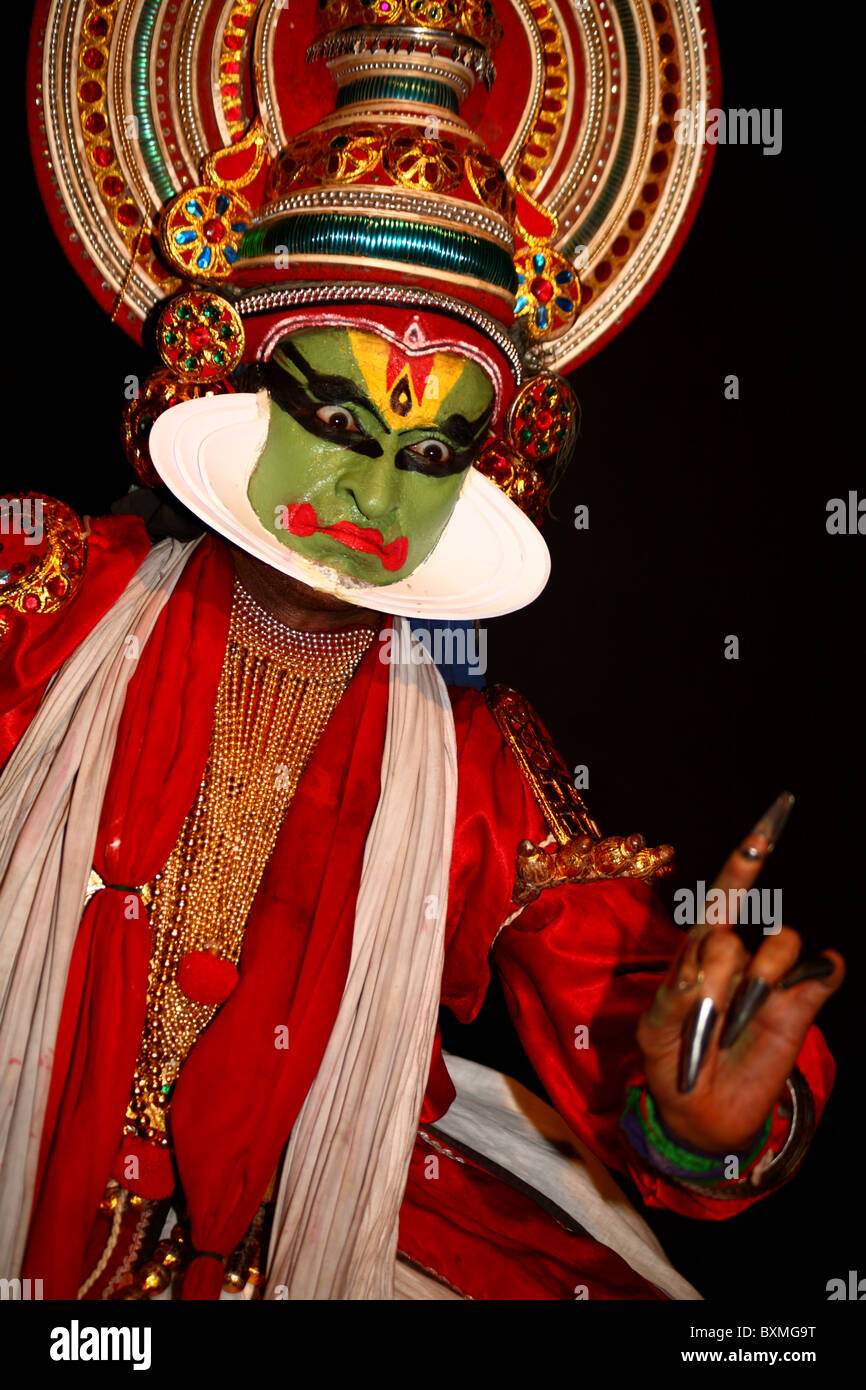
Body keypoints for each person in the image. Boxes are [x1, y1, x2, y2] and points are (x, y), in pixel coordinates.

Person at [1, 0, 843, 1301]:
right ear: (226, 380)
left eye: (433, 449)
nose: (370, 500)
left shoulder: (470, 764)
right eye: (333, 415)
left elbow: (624, 1022)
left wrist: (700, 1114)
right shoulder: (44, 604)